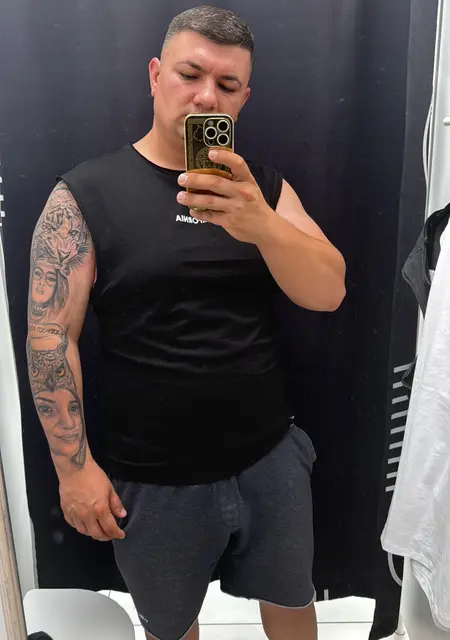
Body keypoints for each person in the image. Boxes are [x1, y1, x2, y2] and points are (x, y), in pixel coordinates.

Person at [26, 6, 345, 640]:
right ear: (155, 75)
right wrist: (72, 468)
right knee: (170, 627)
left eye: (227, 85)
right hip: (153, 477)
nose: (206, 97)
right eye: (189, 74)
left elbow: (329, 292)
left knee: (291, 602)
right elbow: (50, 337)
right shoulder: (86, 194)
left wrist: (261, 225)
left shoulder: (262, 190)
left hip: (267, 454)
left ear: (244, 98)